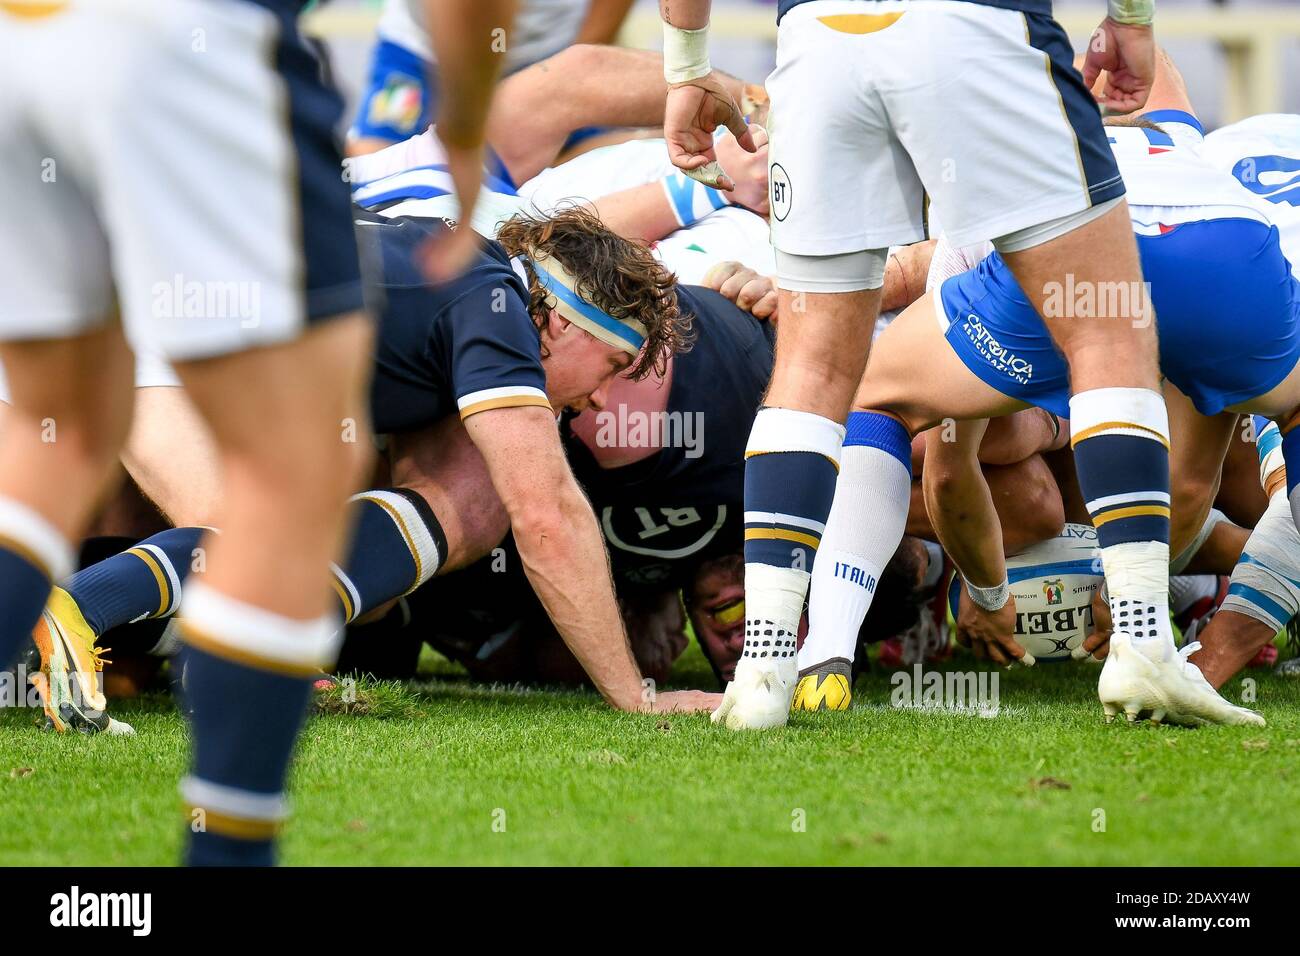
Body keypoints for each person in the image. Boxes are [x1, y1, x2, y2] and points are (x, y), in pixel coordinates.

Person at [661, 0, 1180, 734]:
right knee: (1108, 329)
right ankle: (1144, 642)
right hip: (974, 24)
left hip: (821, 38)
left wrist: (684, 63)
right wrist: (1130, 19)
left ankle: (768, 670)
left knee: (813, 369)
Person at [0, 0, 376, 866]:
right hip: (185, 54)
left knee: (56, 439)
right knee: (285, 478)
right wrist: (467, 132)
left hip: (26, 41)